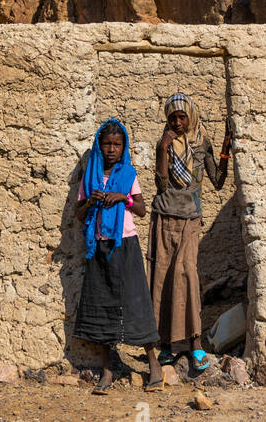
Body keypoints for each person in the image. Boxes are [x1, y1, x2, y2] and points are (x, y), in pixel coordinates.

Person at [73, 119, 163, 394]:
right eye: (107, 144)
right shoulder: (90, 175)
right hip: (98, 247)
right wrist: (91, 201)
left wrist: (121, 198)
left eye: (117, 144)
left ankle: (154, 366)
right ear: (100, 146)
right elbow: (78, 214)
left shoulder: (127, 174)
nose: (112, 149)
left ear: (123, 147)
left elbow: (142, 210)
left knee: (136, 302)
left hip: (125, 244)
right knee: (101, 306)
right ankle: (107, 372)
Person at [149, 93, 232, 373]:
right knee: (163, 279)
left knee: (188, 275)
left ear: (190, 117)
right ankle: (168, 346)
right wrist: (163, 148)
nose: (177, 122)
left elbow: (218, 181)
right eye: (172, 117)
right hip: (163, 217)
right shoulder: (165, 142)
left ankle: (195, 343)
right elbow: (161, 184)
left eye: (182, 117)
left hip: (190, 219)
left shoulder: (200, 142)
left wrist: (224, 149)